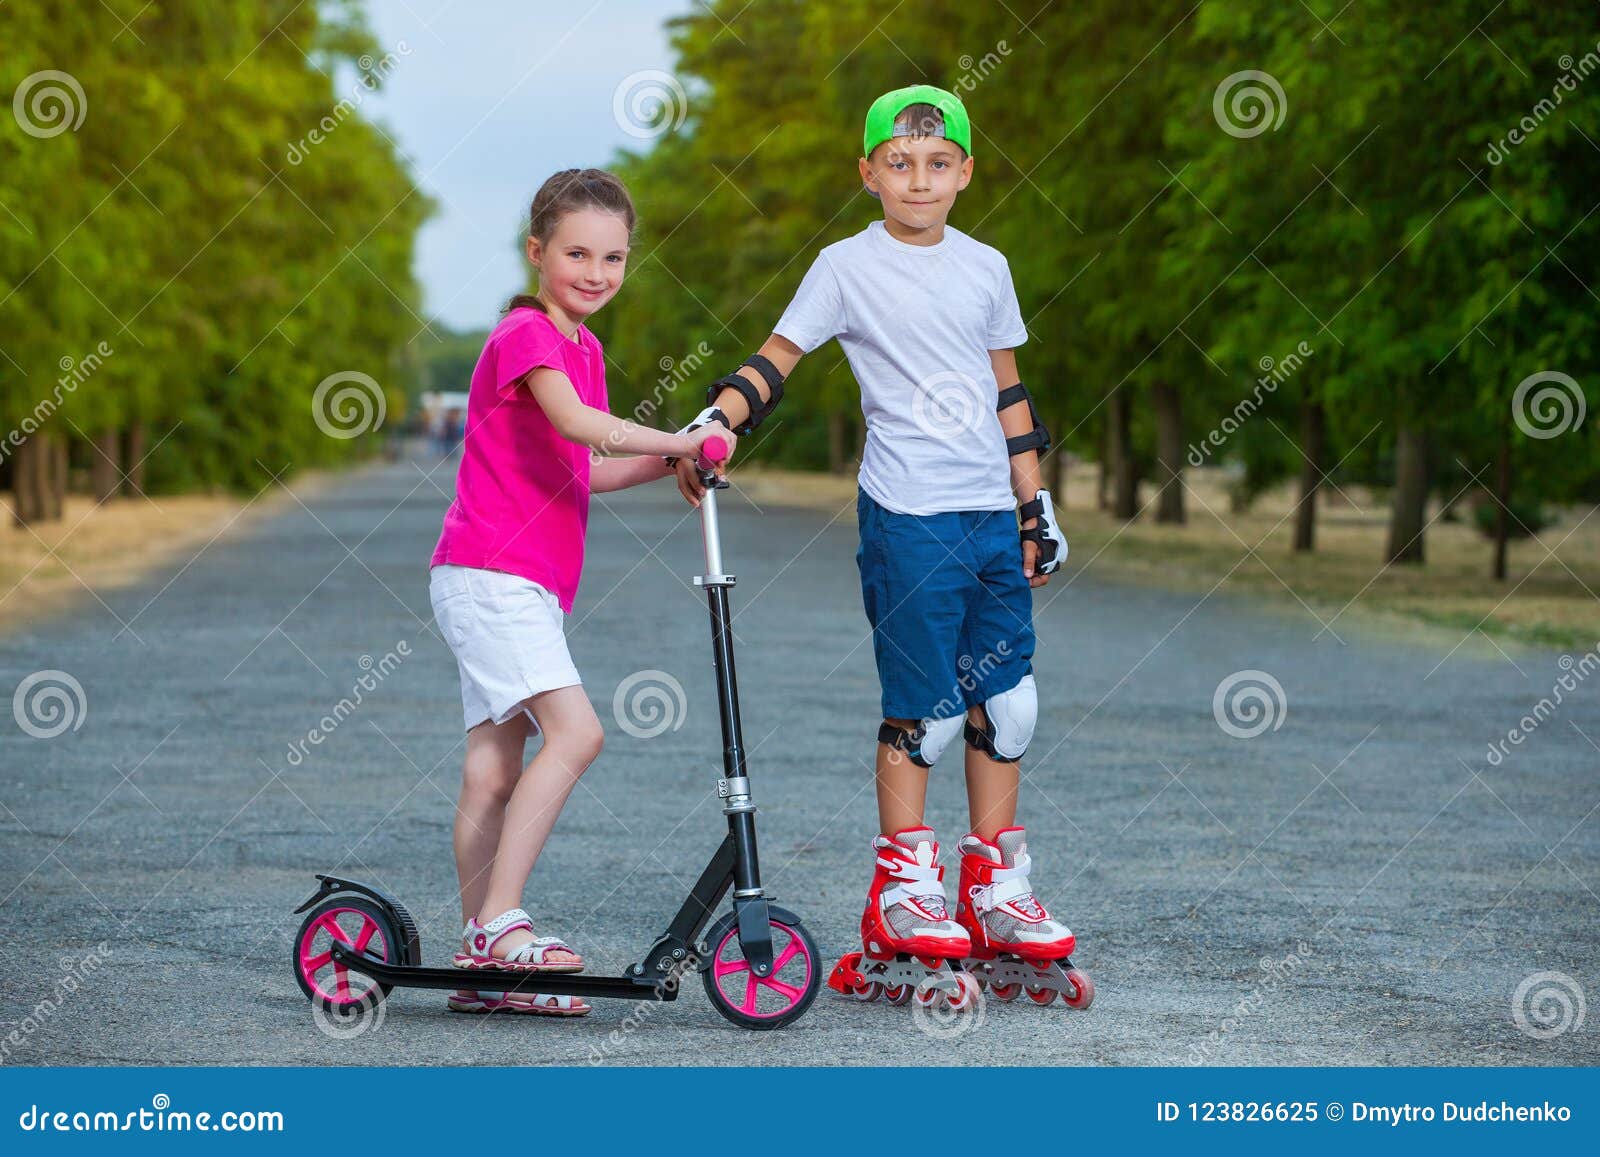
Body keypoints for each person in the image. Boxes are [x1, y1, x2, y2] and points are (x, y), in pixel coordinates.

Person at [675, 85, 1078, 979]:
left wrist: (1033, 504)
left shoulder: (987, 266)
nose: (920, 180)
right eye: (900, 164)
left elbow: (1007, 394)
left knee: (1010, 703)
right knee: (927, 709)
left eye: (939, 164)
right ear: (869, 173)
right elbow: (774, 362)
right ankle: (902, 885)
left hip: (985, 511)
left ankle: (994, 887)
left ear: (966, 172)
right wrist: (720, 419)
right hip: (907, 514)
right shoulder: (844, 268)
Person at [430, 168, 732, 1016]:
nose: (596, 272)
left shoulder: (586, 347)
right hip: (493, 572)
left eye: (614, 257)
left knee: (493, 769)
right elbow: (573, 421)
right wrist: (681, 434)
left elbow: (586, 466)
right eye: (576, 253)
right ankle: (500, 924)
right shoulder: (526, 335)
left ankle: (482, 961)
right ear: (537, 252)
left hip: (509, 580)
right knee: (579, 732)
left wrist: (673, 458)